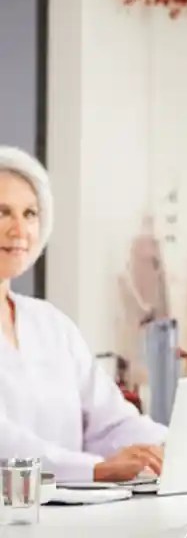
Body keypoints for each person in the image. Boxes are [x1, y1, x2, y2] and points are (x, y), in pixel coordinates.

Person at [0, 146, 167, 483]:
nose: (19, 229)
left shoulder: (51, 325)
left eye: (30, 213)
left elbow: (111, 420)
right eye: (2, 212)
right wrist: (92, 469)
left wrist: (166, 447)